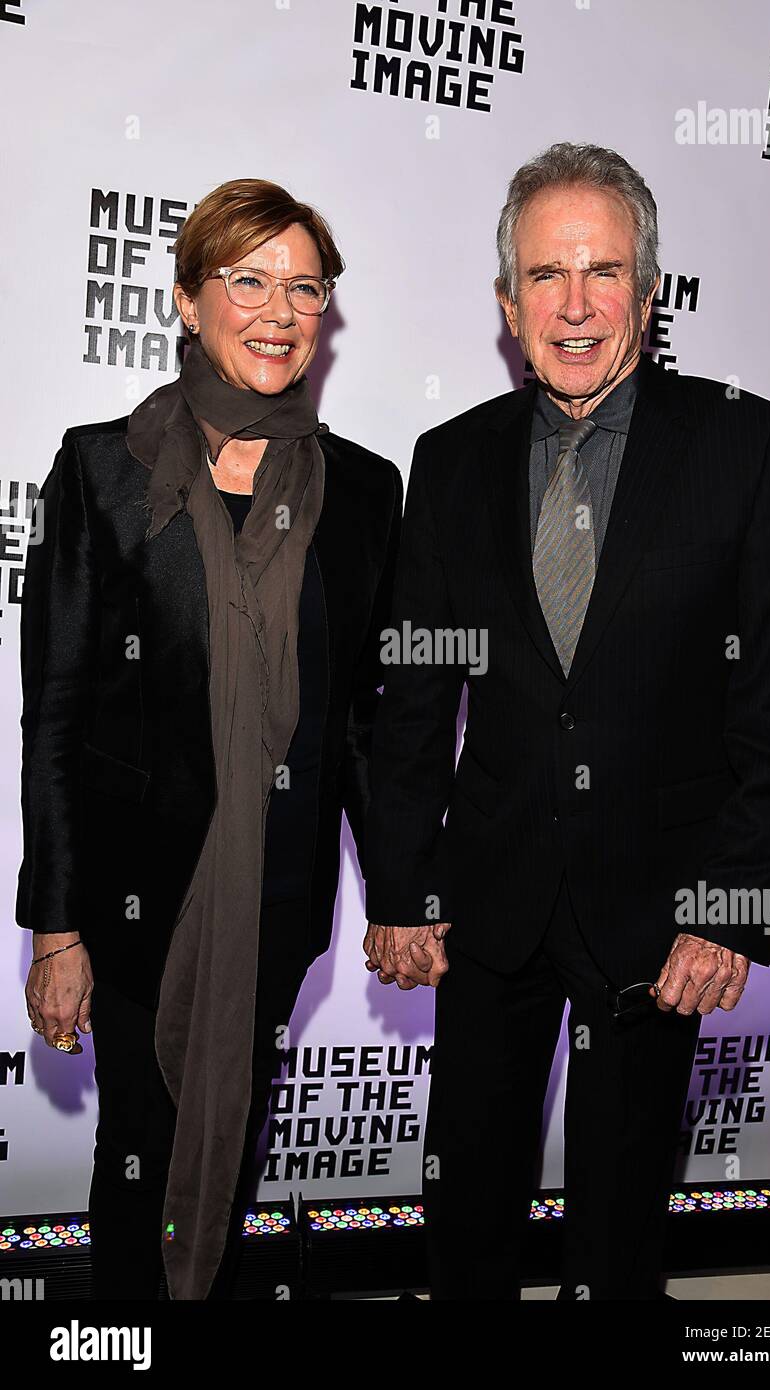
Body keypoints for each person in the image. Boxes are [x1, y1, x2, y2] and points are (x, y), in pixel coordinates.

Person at [363, 142, 770, 1300]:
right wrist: (403, 888)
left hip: (662, 925)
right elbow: (414, 699)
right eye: (546, 276)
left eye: (603, 272)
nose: (575, 306)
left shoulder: (747, 445)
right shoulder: (451, 460)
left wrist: (728, 914)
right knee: (466, 1223)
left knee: (621, 1249)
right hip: (488, 911)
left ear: (650, 292)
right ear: (507, 301)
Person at [16, 177, 402, 1300]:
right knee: (135, 1157)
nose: (279, 310)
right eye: (248, 280)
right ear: (189, 299)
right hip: (136, 900)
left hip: (275, 901)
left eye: (305, 287)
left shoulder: (366, 493)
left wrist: (399, 889)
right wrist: (55, 926)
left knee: (232, 1151)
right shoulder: (102, 471)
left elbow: (368, 720)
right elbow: (58, 715)